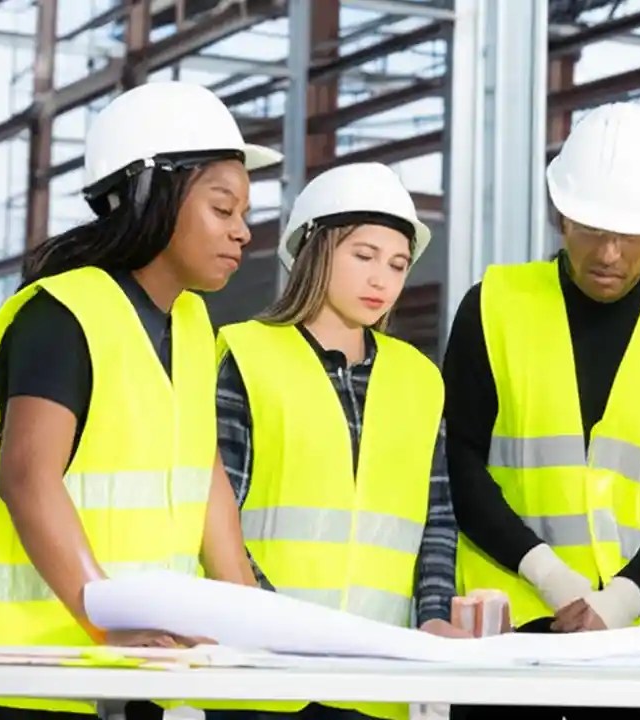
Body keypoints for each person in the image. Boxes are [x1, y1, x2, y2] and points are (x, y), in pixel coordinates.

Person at [0, 80, 282, 720]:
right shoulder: (61, 315)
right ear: (152, 194)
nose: (244, 233)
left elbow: (201, 476)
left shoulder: (192, 324)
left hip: (139, 665)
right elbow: (27, 480)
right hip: (36, 673)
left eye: (243, 213)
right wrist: (110, 627)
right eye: (222, 208)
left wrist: (250, 614)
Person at [444, 101, 640, 720]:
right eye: (591, 229)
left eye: (629, 234)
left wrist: (621, 600)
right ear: (560, 216)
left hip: (633, 634)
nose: (608, 253)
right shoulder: (493, 305)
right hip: (510, 625)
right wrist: (552, 578)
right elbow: (459, 466)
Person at [204, 162, 465, 720]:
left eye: (397, 265)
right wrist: (266, 620)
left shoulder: (420, 379)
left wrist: (435, 613)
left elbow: (438, 517)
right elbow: (213, 512)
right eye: (363, 256)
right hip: (262, 672)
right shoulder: (248, 357)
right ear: (315, 251)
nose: (382, 281)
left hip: (376, 677)